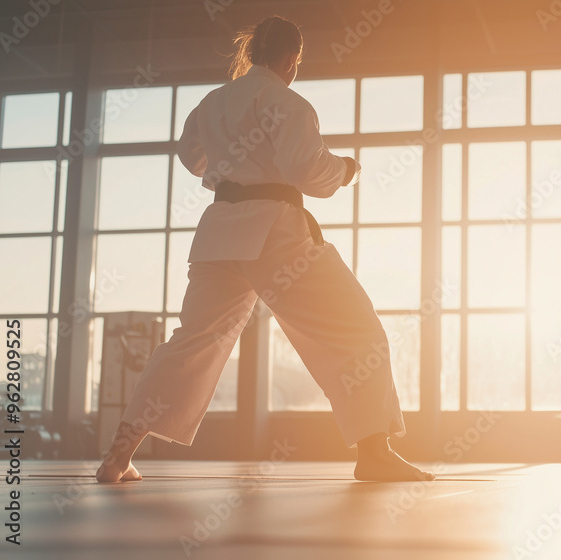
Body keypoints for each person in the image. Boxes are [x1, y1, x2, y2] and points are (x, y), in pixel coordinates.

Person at [96, 16, 433, 483]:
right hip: (276, 233)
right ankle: (375, 454)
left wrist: (230, 157)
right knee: (356, 328)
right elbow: (307, 171)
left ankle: (119, 453)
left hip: (218, 235)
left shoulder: (213, 102)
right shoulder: (288, 102)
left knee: (191, 342)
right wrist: (346, 169)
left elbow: (191, 158)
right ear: (292, 58)